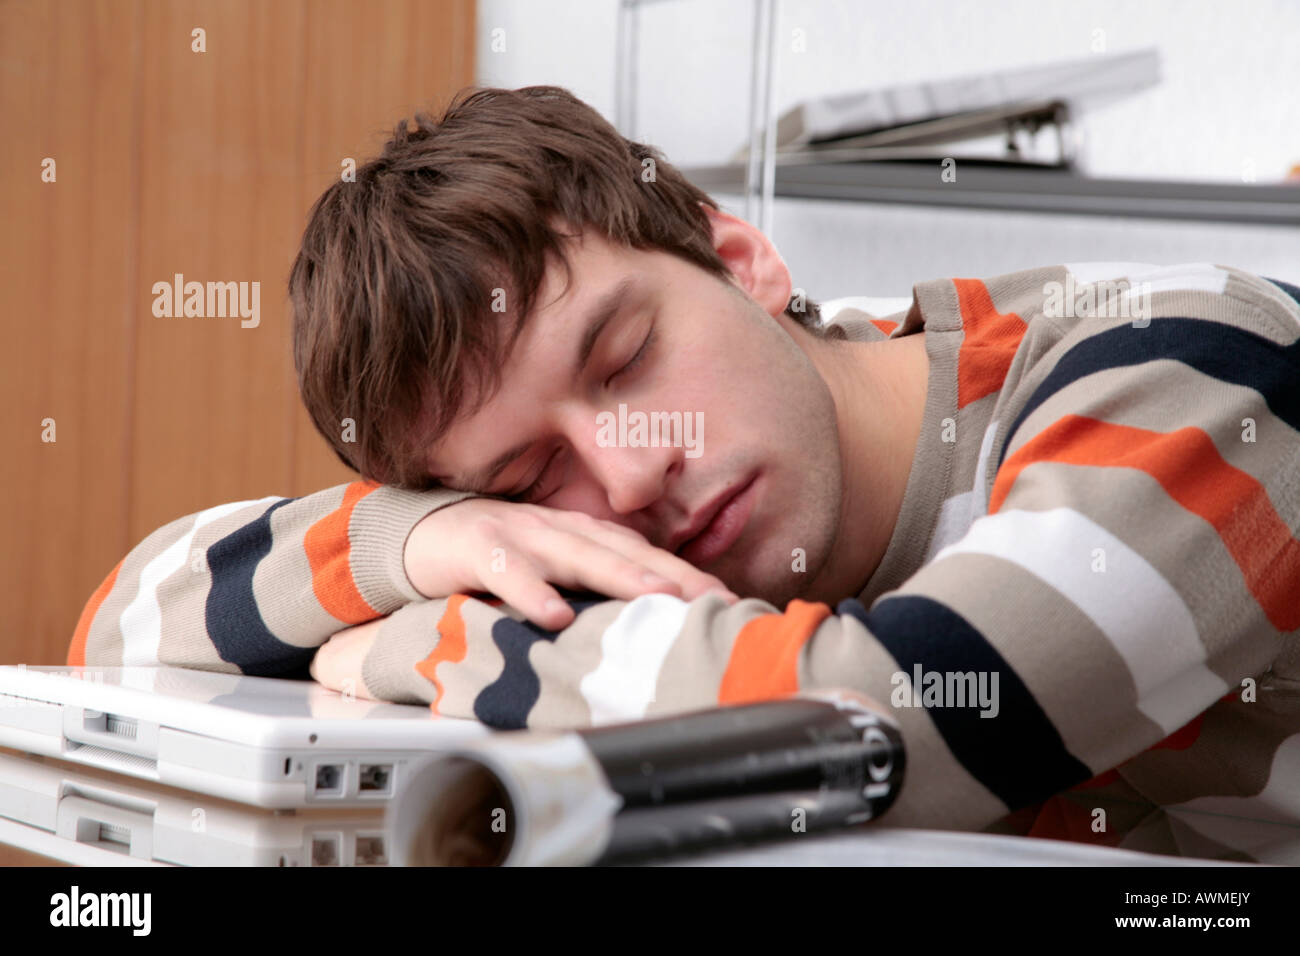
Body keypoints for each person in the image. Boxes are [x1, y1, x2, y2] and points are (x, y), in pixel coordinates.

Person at [71, 86, 1300, 861]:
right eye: (531, 472)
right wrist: (420, 543)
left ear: (739, 256)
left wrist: (425, 640)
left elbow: (910, 716)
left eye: (625, 356)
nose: (627, 469)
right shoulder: (602, 539)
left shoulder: (1187, 360)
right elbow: (113, 636)